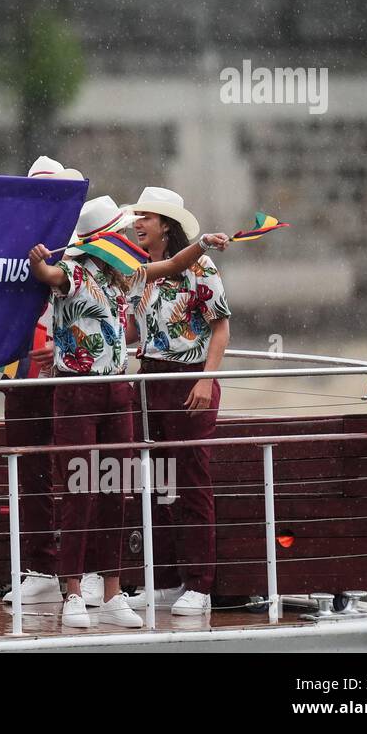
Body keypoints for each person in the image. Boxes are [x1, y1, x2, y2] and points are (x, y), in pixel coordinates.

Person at [28, 195, 229, 629]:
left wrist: (204, 245)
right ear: (104, 238)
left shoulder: (125, 275)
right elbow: (49, 275)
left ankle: (115, 590)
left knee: (116, 488)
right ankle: (74, 591)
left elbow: (172, 268)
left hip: (119, 388)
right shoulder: (76, 270)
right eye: (122, 228)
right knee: (80, 485)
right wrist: (38, 260)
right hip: (79, 390)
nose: (130, 232)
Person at [1, 157, 104, 609]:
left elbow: (115, 315)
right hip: (24, 369)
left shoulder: (88, 248)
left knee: (83, 472)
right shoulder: (4, 242)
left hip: (75, 373)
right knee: (32, 473)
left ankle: (90, 572)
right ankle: (42, 570)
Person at [126, 187, 230, 616]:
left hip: (189, 380)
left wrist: (207, 380)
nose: (138, 223)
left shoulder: (200, 267)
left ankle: (200, 584)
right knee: (153, 482)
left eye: (146, 217)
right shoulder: (137, 271)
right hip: (148, 378)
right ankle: (168, 579)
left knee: (191, 479)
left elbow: (219, 327)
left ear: (165, 225)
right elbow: (136, 332)